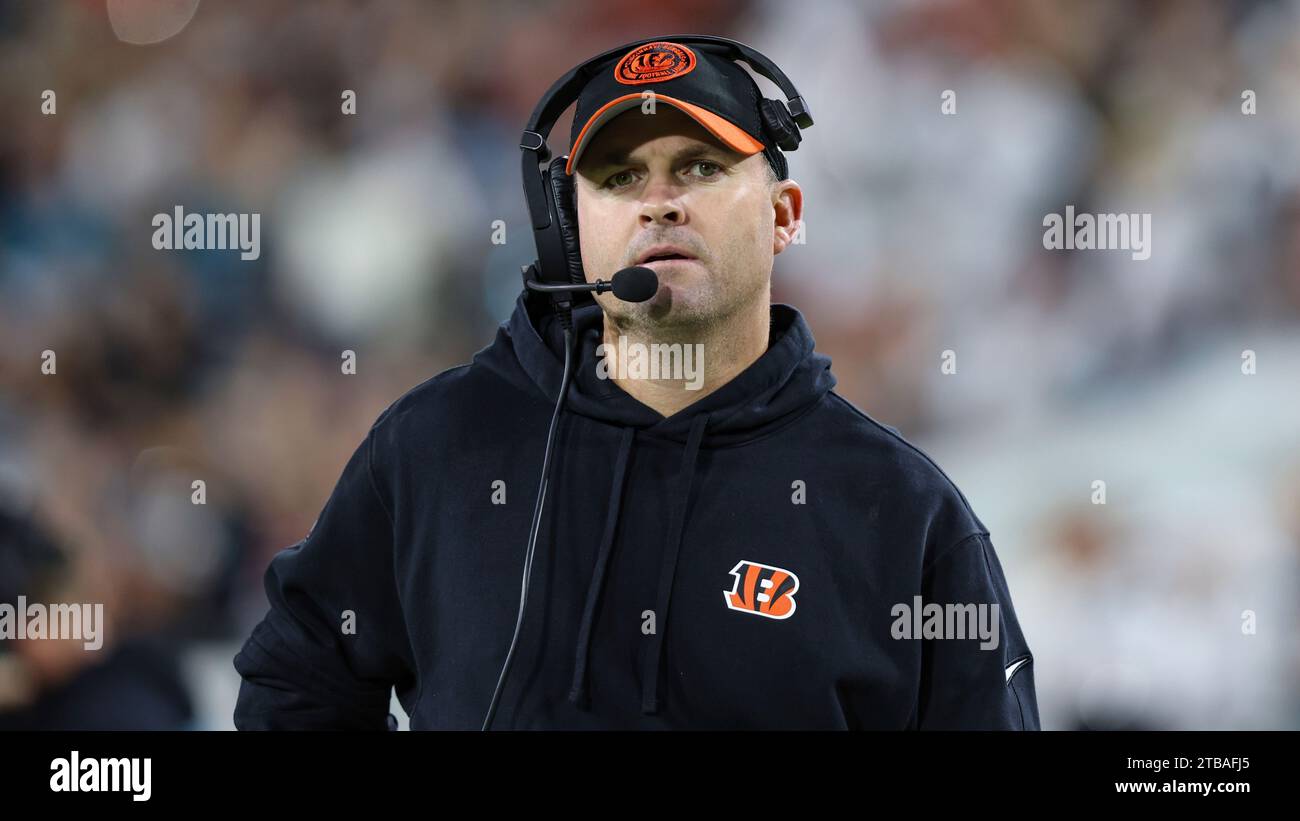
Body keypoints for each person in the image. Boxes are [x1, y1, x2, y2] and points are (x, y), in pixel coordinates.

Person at [233, 38, 1039, 730]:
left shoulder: (904, 514)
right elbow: (296, 681)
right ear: (568, 233)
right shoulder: (438, 447)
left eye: (698, 166)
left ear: (785, 213)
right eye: (618, 178)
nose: (658, 203)